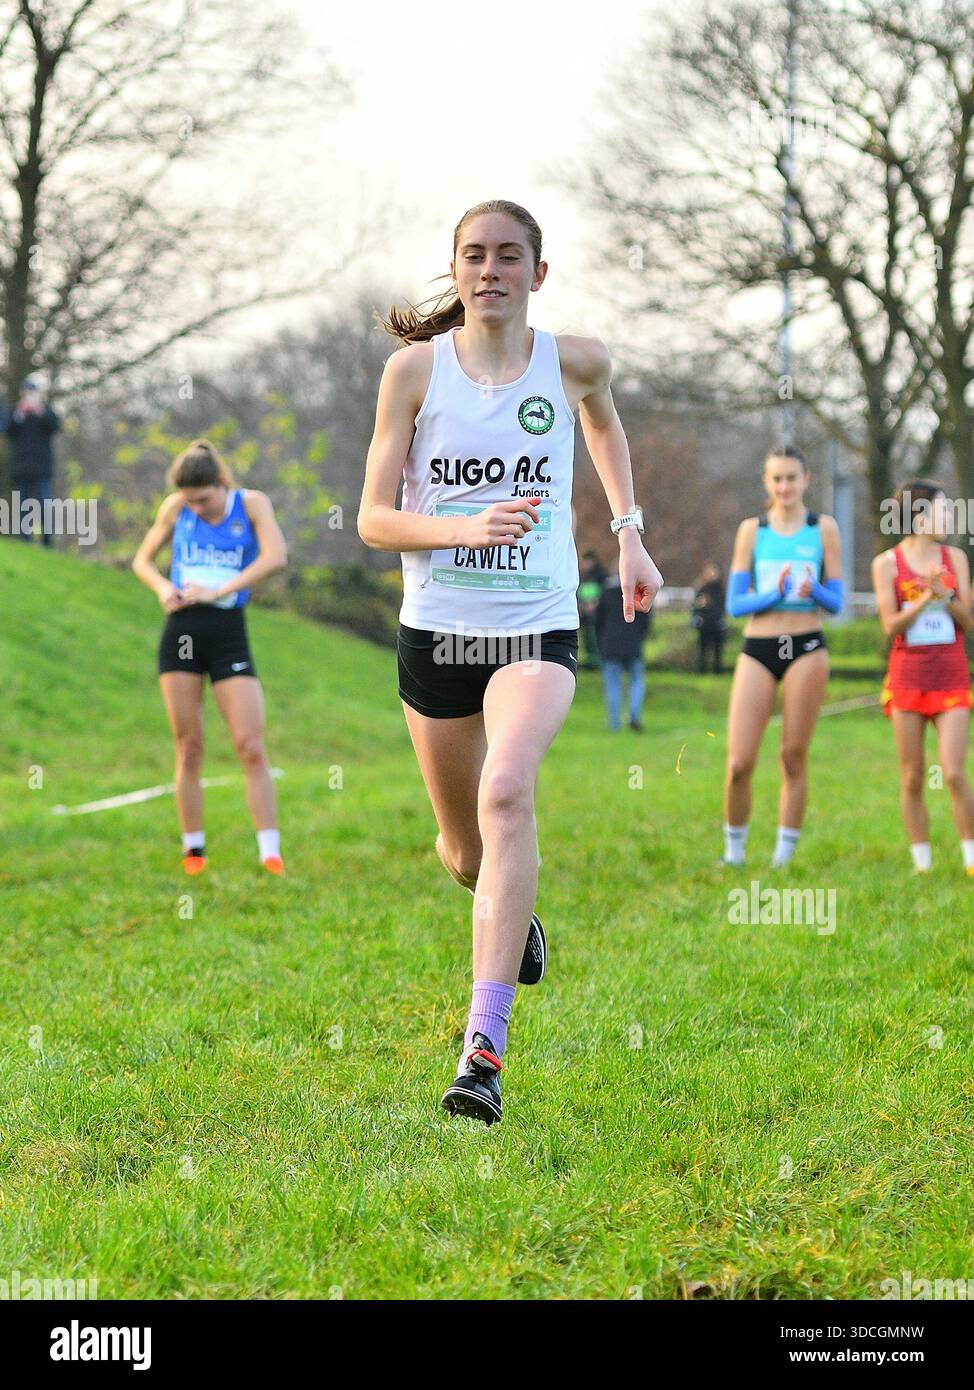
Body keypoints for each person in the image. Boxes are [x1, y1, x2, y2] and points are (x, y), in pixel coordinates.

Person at [358, 199, 663, 1124]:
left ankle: (481, 1053)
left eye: (509, 256)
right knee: (463, 851)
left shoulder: (577, 360)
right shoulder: (413, 372)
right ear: (457, 273)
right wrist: (462, 527)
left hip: (537, 623)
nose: (490, 270)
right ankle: (509, 907)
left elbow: (603, 427)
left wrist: (629, 534)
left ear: (539, 272)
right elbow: (374, 520)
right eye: (474, 256)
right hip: (438, 631)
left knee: (506, 792)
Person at [131, 439, 289, 875]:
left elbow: (277, 557)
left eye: (202, 499)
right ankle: (194, 851)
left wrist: (220, 590)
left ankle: (270, 852)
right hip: (181, 632)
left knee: (250, 745)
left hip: (227, 632)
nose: (196, 509)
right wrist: (164, 588)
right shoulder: (175, 507)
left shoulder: (251, 504)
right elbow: (142, 561)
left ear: (221, 483)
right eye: (189, 502)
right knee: (189, 745)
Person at [722, 445, 843, 868]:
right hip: (758, 645)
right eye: (777, 478)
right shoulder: (751, 531)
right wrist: (775, 592)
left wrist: (815, 592)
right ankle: (733, 853)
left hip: (807, 644)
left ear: (806, 480)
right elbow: (735, 604)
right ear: (766, 483)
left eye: (792, 477)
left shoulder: (823, 527)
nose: (785, 486)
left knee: (792, 755)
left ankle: (782, 857)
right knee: (739, 761)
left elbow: (838, 601)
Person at [872, 479, 974, 874]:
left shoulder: (956, 560)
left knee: (953, 771)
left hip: (951, 675)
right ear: (918, 516)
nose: (949, 517)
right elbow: (889, 625)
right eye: (942, 510)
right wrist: (923, 599)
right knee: (913, 776)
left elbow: (968, 620)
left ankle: (969, 860)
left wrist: (946, 597)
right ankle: (923, 864)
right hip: (907, 678)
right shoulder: (887, 564)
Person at [5, 376, 60, 547]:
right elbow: (7, 430)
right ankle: (25, 541)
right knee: (23, 507)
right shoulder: (16, 412)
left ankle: (47, 542)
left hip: (42, 469)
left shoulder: (45, 411)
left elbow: (55, 426)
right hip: (21, 468)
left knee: (46, 506)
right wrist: (20, 412)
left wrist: (40, 411)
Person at [595, 562, 649, 730]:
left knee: (613, 684)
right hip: (633, 645)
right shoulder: (637, 593)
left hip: (610, 646)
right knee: (637, 681)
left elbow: (597, 622)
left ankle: (614, 723)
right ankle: (634, 715)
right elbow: (646, 620)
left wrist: (601, 642)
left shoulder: (605, 594)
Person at [691, 562, 726, 673]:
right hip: (704, 624)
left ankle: (717, 671)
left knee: (717, 651)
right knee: (702, 650)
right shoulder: (702, 589)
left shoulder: (721, 590)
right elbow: (695, 606)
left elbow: (723, 606)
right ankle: (701, 670)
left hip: (717, 623)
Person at [578, 549, 607, 669]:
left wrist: (596, 603)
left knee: (597, 636)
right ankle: (590, 660)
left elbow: (605, 593)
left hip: (598, 613)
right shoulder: (582, 575)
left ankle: (598, 659)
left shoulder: (601, 575)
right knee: (587, 637)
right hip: (585, 614)